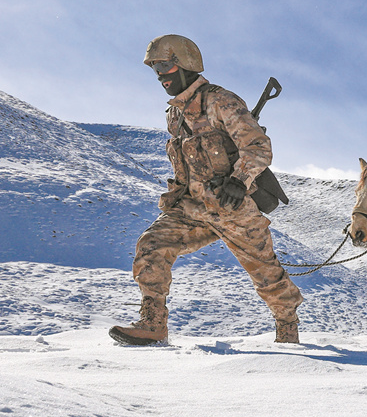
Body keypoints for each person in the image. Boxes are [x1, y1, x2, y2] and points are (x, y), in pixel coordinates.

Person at [109, 34, 303, 345]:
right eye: (155, 68)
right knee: (152, 244)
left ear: (185, 65)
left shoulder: (220, 102)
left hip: (232, 207)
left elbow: (257, 147)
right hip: (192, 206)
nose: (160, 75)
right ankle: (153, 323)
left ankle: (287, 326)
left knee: (265, 272)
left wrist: (239, 181)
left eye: (165, 66)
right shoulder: (175, 114)